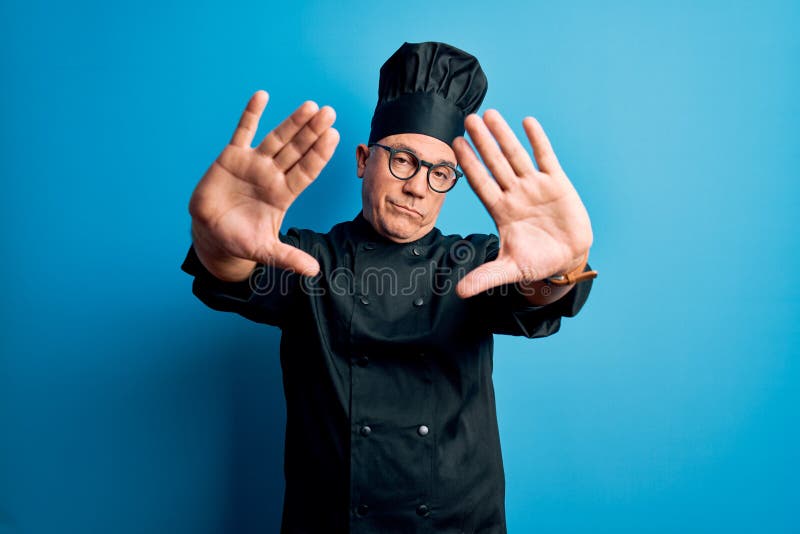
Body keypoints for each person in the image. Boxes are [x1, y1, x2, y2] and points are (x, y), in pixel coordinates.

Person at [181, 41, 597, 534]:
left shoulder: (477, 264)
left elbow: (540, 294)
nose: (418, 186)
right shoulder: (307, 259)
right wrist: (217, 243)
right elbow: (235, 274)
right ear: (363, 160)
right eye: (402, 159)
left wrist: (561, 266)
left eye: (440, 173)